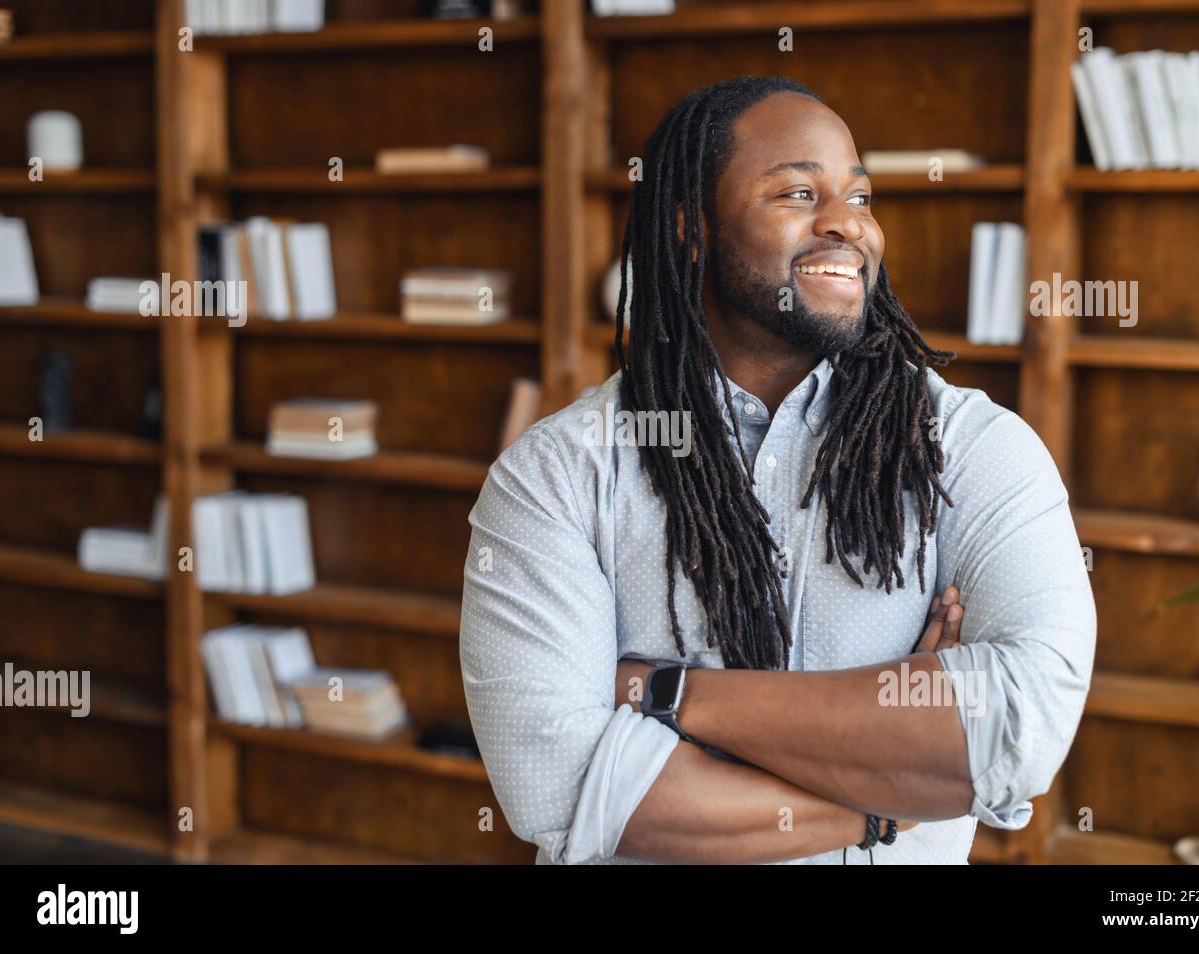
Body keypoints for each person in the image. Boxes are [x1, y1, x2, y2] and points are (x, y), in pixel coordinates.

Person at [459, 75, 1096, 865]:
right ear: (692, 230)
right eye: (798, 192)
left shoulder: (973, 448)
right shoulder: (555, 476)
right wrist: (891, 801)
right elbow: (553, 788)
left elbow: (1019, 732)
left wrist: (665, 694)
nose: (848, 226)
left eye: (859, 198)